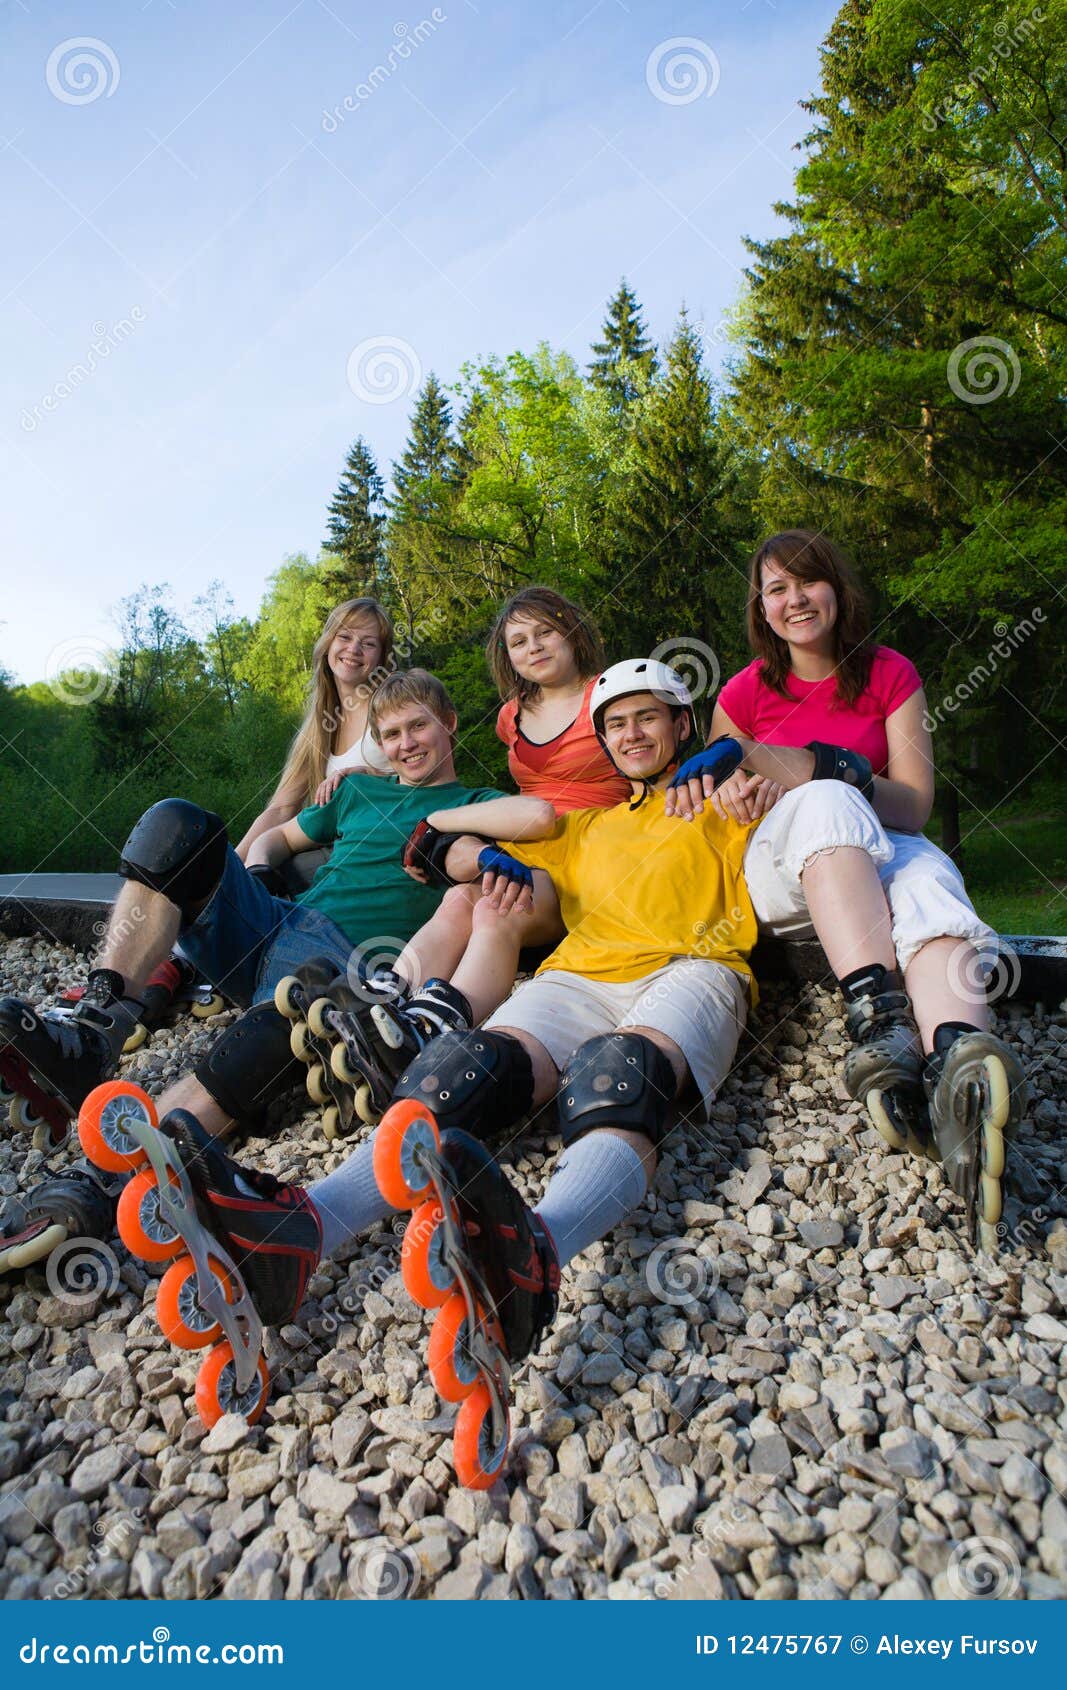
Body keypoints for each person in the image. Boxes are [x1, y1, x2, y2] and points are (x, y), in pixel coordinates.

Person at [99, 660, 756, 1477]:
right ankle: (306, 1228)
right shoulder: (583, 825)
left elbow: (838, 793)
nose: (630, 734)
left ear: (684, 727)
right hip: (579, 974)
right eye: (614, 723)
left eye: (648, 719)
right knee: (460, 1072)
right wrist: (479, 864)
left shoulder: (732, 795)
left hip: (697, 964)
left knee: (620, 1077)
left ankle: (538, 1253)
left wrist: (745, 762)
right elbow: (484, 858)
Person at [0, 670, 554, 1273]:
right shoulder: (351, 793)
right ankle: (96, 1025)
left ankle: (115, 1166)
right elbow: (275, 841)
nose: (406, 744)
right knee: (177, 823)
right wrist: (261, 871)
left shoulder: (472, 802)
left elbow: (541, 814)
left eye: (419, 726)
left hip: (348, 960)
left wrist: (444, 820)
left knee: (298, 1004)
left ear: (448, 725)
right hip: (277, 919)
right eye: (391, 734)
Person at [664, 529, 1027, 1253]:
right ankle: (878, 1020)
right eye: (776, 589)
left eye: (808, 582)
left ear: (837, 589)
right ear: (760, 610)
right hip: (786, 874)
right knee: (824, 804)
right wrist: (744, 795)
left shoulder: (889, 673)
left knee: (930, 881)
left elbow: (914, 807)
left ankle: (959, 1062)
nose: (795, 599)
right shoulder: (741, 692)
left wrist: (829, 764)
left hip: (885, 846)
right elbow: (723, 805)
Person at [287, 586, 631, 1092]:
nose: (533, 647)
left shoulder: (611, 692)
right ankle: (384, 1006)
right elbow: (527, 798)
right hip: (535, 843)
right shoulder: (514, 714)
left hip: (596, 839)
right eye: (518, 640)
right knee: (460, 896)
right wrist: (374, 772)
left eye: (545, 632)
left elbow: (638, 759)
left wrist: (440, 817)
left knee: (491, 903)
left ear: (572, 632)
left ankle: (437, 1023)